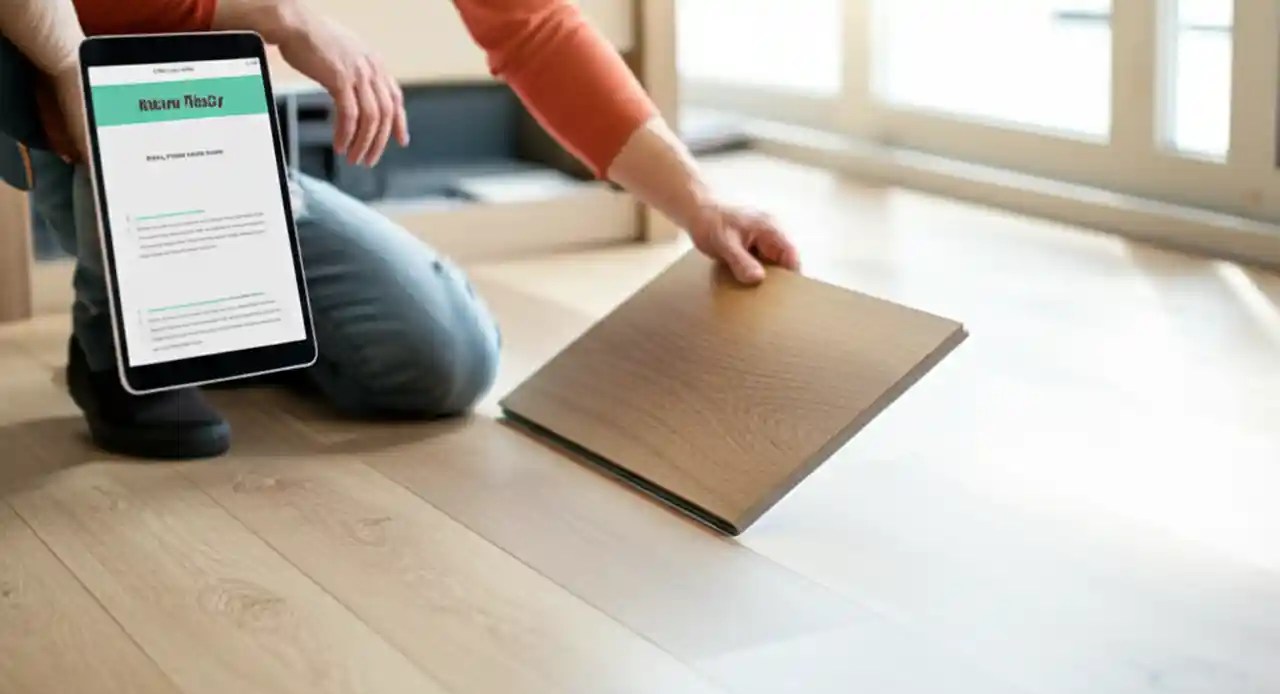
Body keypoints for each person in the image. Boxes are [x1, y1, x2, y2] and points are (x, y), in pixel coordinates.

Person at [0, 0, 801, 460]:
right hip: (81, 92)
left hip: (215, 112)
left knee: (444, 361)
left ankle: (235, 303)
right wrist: (281, 15)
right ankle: (115, 340)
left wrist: (701, 204)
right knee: (142, 77)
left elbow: (535, 28)